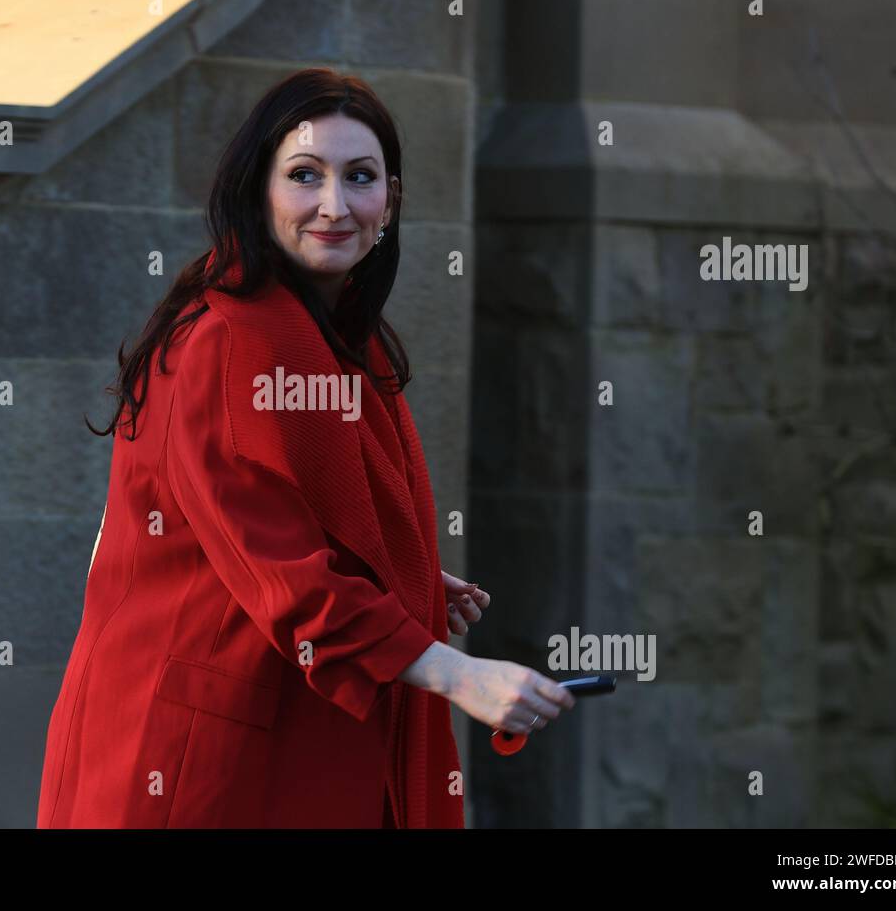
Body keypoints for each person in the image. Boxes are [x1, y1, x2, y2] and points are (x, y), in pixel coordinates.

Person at [36, 68, 574, 829]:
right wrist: (459, 675)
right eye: (303, 176)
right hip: (196, 769)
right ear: (257, 190)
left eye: (361, 177)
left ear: (391, 200)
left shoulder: (344, 336)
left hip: (289, 744)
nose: (334, 205)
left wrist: (399, 569)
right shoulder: (225, 338)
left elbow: (287, 519)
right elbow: (283, 575)